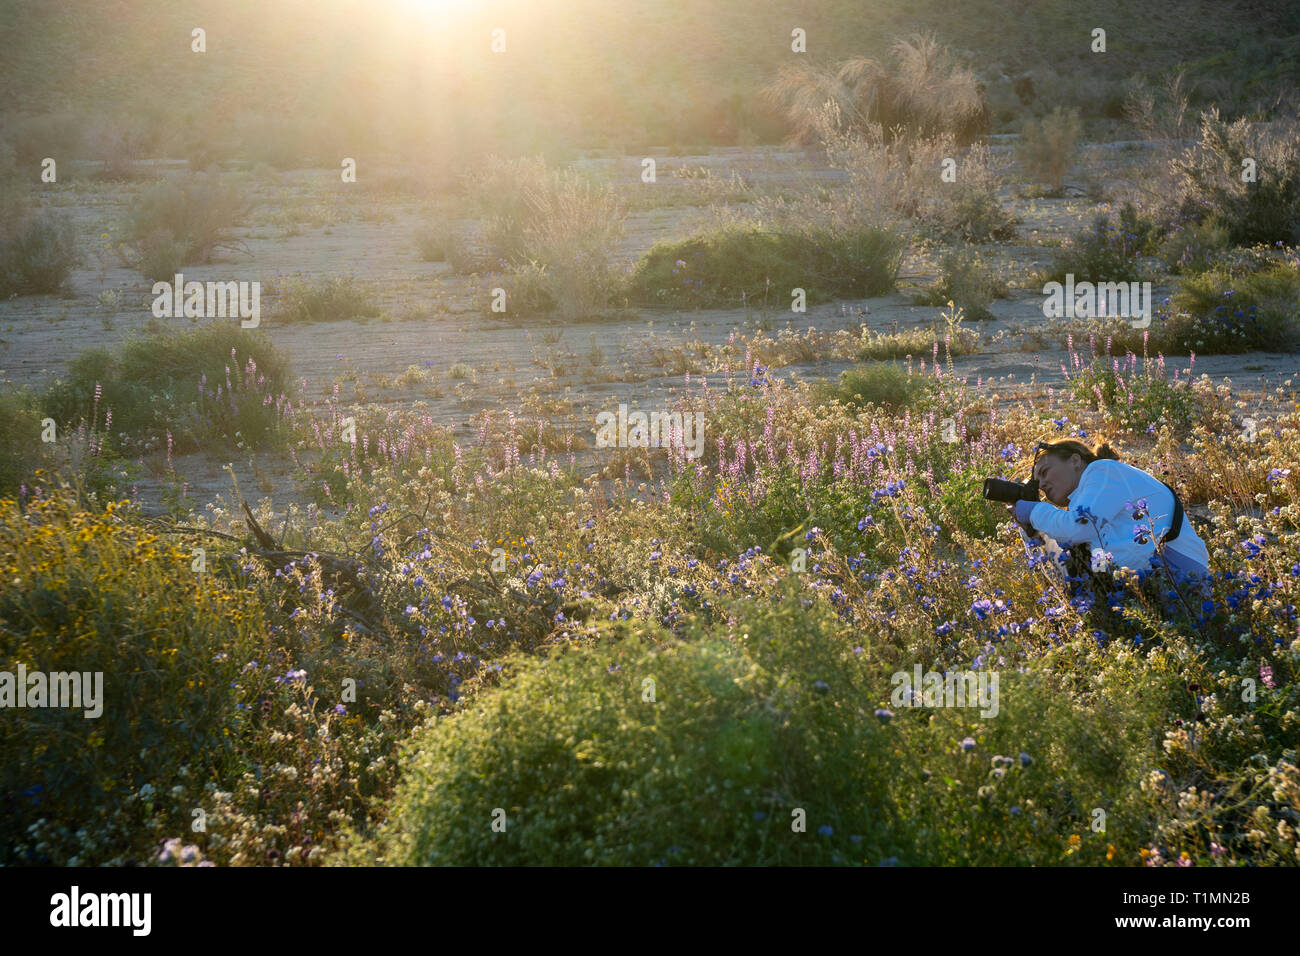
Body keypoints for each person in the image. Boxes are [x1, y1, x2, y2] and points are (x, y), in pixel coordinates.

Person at [1007, 438, 1212, 609]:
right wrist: (1032, 530)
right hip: (1150, 585)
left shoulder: (1103, 471)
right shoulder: (1090, 499)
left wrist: (1034, 511)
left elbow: (1080, 526)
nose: (1041, 484)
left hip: (1180, 576)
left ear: (1075, 460)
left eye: (1045, 472)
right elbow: (1097, 560)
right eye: (1037, 481)